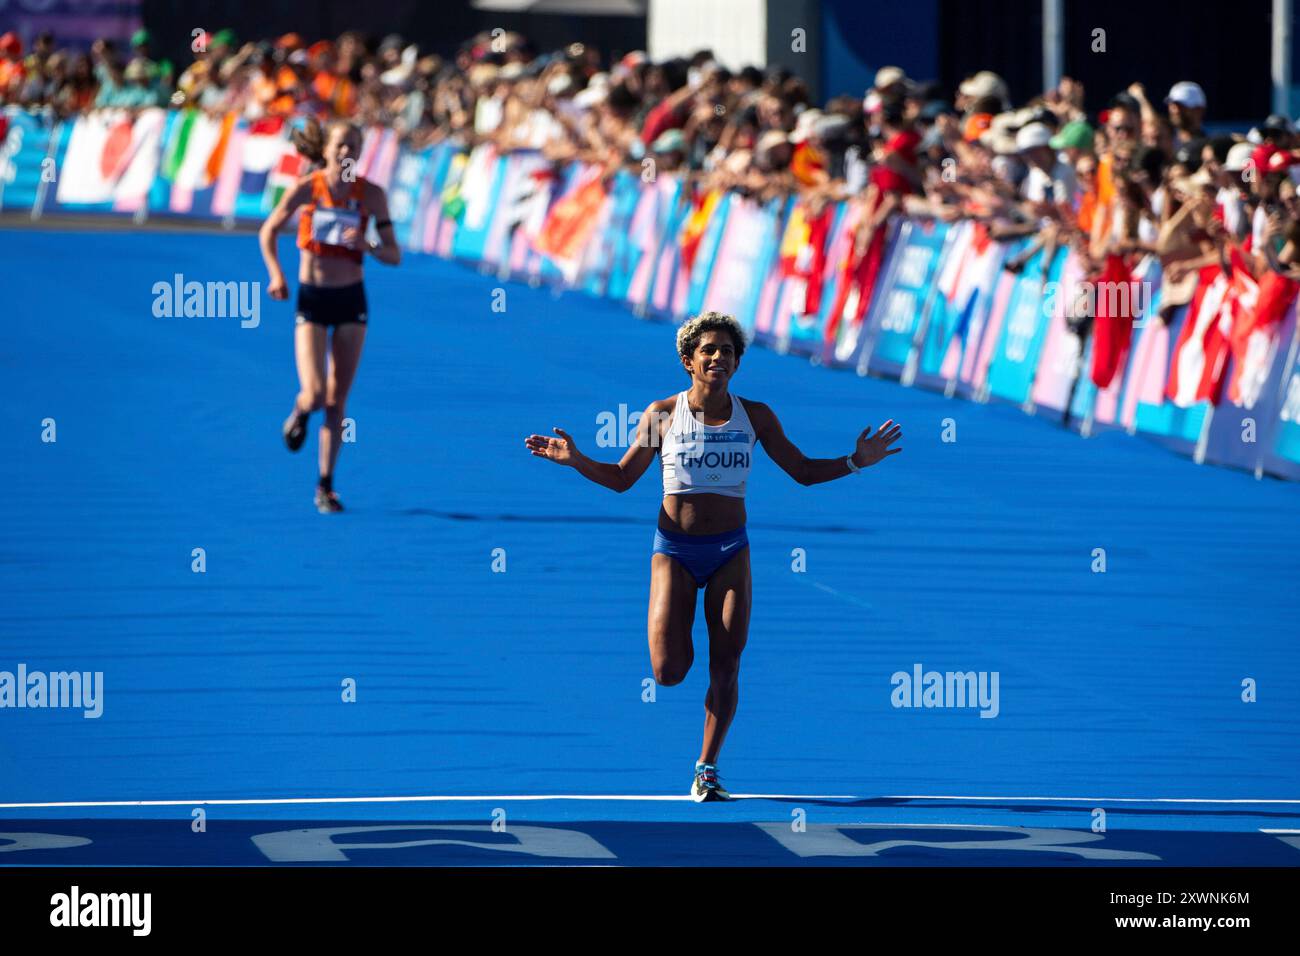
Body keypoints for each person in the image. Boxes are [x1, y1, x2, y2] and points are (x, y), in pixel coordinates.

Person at [524, 312, 903, 800]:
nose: (718, 357)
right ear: (689, 361)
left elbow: (803, 471)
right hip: (675, 552)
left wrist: (855, 462)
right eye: (708, 350)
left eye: (727, 351)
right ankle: (687, 677)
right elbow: (621, 480)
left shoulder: (757, 416)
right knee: (669, 671)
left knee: (726, 664)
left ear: (737, 362)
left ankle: (707, 767)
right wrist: (576, 460)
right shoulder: (663, 413)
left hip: (729, 553)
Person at [258, 119, 401, 512]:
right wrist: (276, 274)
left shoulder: (371, 195)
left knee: (338, 402)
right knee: (316, 394)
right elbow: (268, 231)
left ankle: (325, 485)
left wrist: (369, 244)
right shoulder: (307, 188)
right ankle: (301, 411)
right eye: (340, 145)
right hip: (312, 298)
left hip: (352, 300)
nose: (346, 153)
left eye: (353, 145)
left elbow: (394, 254)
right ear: (326, 150)